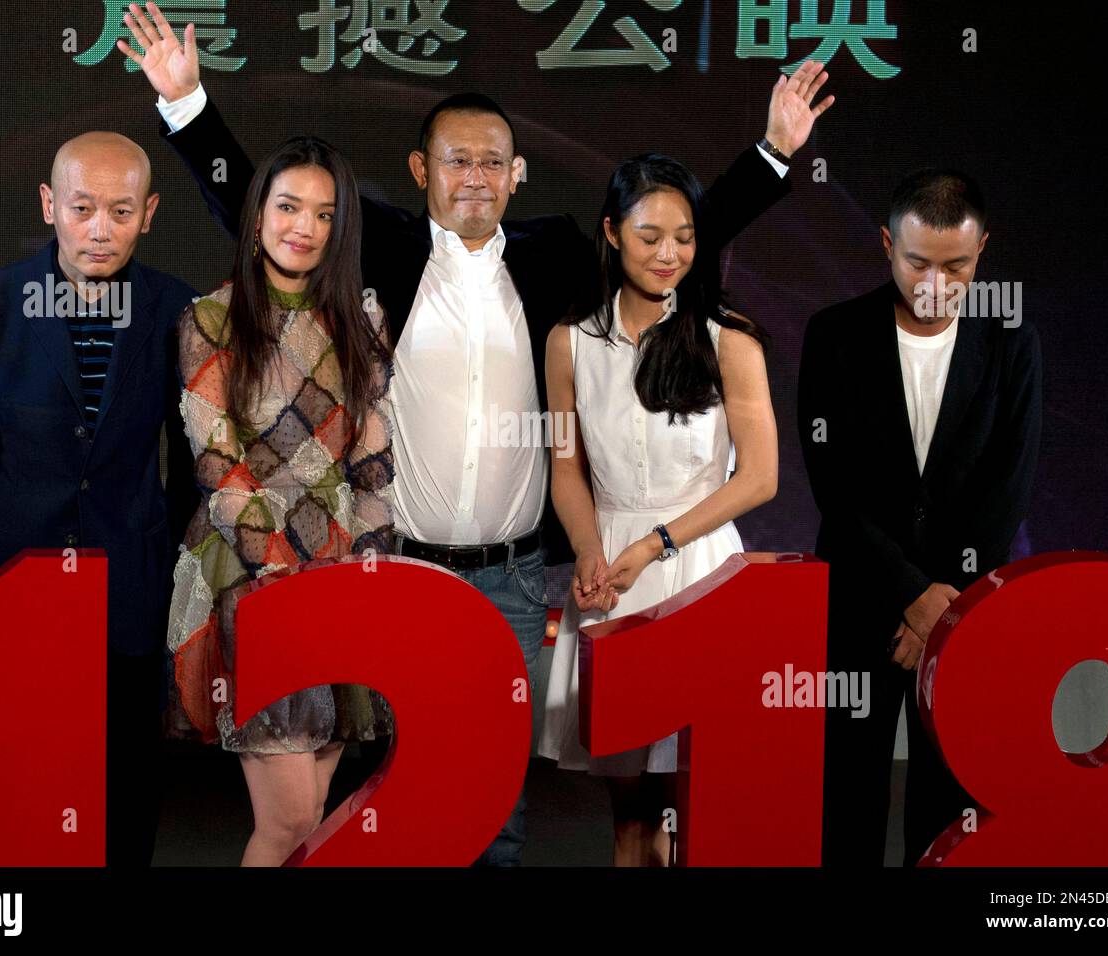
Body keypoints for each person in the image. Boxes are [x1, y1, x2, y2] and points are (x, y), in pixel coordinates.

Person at [117, 0, 829, 865]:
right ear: (423, 168)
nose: (476, 178)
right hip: (401, 567)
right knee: (396, 796)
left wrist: (772, 154)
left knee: (497, 802)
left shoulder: (555, 255)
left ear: (518, 173)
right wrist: (188, 105)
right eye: (457, 161)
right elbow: (263, 208)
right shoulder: (376, 249)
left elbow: (665, 239)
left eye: (494, 162)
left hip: (515, 582)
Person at [0, 131, 200, 866]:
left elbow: (188, 457)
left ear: (150, 212)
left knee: (126, 794)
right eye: (81, 208)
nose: (99, 228)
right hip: (9, 588)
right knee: (19, 795)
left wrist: (169, 569)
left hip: (127, 590)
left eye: (120, 209)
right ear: (50, 204)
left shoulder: (176, 308)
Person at [538, 155, 780, 866]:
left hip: (701, 566)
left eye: (684, 236)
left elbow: (761, 477)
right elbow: (565, 466)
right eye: (649, 236)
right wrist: (588, 549)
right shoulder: (568, 343)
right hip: (611, 569)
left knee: (693, 801)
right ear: (611, 233)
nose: (668, 254)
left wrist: (655, 543)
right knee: (628, 809)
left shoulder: (729, 338)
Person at [797, 169, 1043, 866]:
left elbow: (1008, 489)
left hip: (964, 615)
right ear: (886, 245)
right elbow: (834, 489)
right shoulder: (835, 335)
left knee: (947, 810)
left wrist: (944, 604)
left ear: (983, 251)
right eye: (918, 262)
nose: (936, 281)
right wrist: (912, 594)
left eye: (957, 265)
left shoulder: (1011, 342)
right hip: (858, 605)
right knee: (846, 804)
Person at [166, 133, 396, 867]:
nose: (305, 227)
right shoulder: (211, 320)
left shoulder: (362, 320)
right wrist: (277, 570)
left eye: (325, 214)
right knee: (291, 816)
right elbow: (216, 462)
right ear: (257, 215)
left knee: (316, 813)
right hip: (247, 574)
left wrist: (366, 570)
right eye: (289, 206)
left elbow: (373, 467)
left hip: (339, 573)